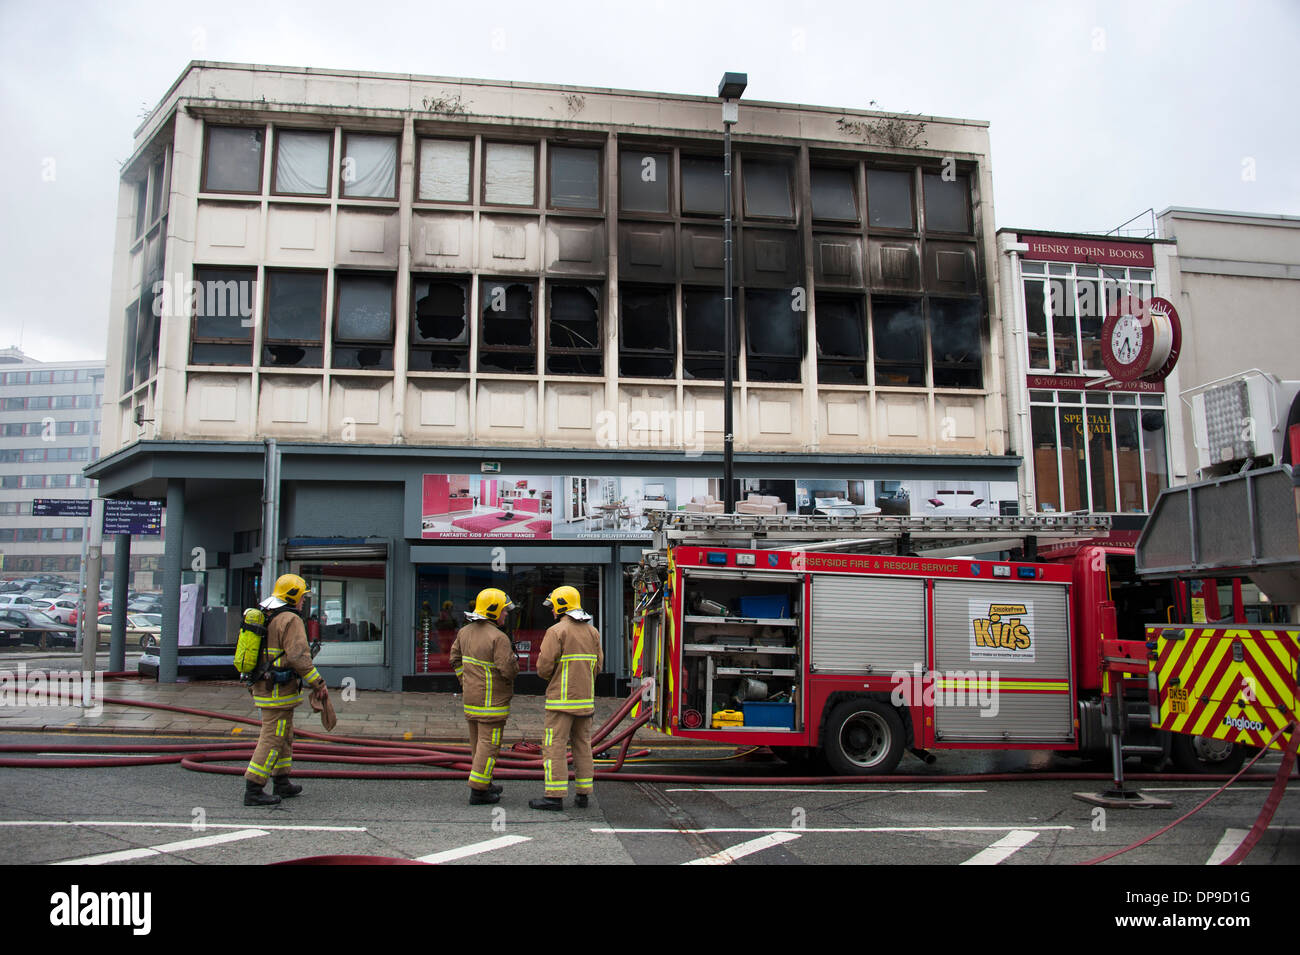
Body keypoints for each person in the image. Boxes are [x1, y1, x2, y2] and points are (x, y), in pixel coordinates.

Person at [243, 573, 327, 806]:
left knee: (284, 734)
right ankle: (254, 787)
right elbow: (299, 657)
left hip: (265, 685)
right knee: (272, 737)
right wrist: (318, 683)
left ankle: (281, 781)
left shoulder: (267, 613)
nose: (303, 601)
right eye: (302, 597)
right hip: (278, 690)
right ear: (293, 596)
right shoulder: (290, 619)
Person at [530, 586, 603, 811]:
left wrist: (555, 678)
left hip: (560, 703)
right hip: (585, 701)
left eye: (553, 606)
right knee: (583, 746)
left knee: (554, 746)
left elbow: (543, 667)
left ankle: (554, 795)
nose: (552, 611)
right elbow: (598, 666)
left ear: (561, 605)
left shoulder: (556, 631)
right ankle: (583, 793)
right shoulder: (593, 632)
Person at [449, 588, 519, 805]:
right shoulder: (499, 637)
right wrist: (514, 662)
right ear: (493, 610)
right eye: (504, 610)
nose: (506, 614)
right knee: (489, 745)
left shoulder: (465, 632)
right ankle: (479, 790)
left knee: (477, 745)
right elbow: (507, 669)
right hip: (493, 703)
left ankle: (485, 781)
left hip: (471, 700)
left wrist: (465, 681)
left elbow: (455, 659)